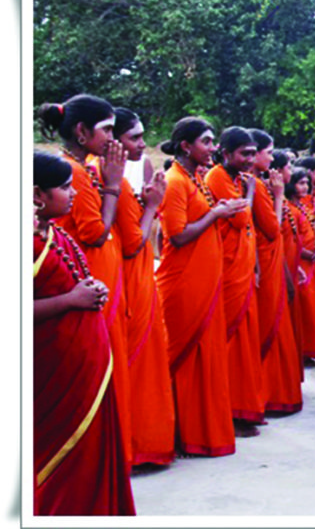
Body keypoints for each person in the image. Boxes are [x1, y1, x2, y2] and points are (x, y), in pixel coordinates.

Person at [33, 151, 136, 515]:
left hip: (87, 366)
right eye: (65, 188)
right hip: (53, 372)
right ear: (36, 196)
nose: (73, 194)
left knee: (91, 453)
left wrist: (89, 291)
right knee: (61, 458)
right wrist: (72, 300)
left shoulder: (54, 231)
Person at [156, 117, 245, 457]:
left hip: (205, 281)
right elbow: (178, 236)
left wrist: (220, 211)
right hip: (183, 283)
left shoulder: (194, 178)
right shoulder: (175, 181)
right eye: (206, 142)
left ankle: (200, 434)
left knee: (205, 360)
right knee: (183, 359)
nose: (212, 148)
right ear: (185, 146)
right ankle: (177, 435)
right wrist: (216, 214)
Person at [111, 108, 176, 466]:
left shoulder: (118, 175)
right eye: (134, 137)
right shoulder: (111, 179)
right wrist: (152, 205)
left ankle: (144, 442)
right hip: (128, 276)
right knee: (136, 361)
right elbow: (134, 240)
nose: (142, 144)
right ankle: (136, 446)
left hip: (136, 274)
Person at [205, 127, 266, 435]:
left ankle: (247, 408)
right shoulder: (217, 177)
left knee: (245, 342)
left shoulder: (238, 180)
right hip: (228, 269)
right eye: (245, 153)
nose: (250, 160)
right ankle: (231, 412)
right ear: (226, 154)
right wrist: (252, 191)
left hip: (242, 266)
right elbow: (242, 218)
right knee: (232, 343)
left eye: (253, 153)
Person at [251, 130, 304, 414]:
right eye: (269, 153)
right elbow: (272, 229)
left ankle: (279, 392)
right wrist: (279, 195)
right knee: (271, 325)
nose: (272, 159)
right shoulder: (259, 188)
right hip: (263, 261)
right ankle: (270, 396)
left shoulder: (259, 186)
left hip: (273, 261)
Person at [286, 166, 315, 363]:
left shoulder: (301, 206)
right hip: (301, 262)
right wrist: (308, 253)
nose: (305, 187)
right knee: (306, 308)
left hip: (310, 262)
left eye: (306, 183)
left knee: (313, 307)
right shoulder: (290, 209)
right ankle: (304, 349)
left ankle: (312, 348)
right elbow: (291, 240)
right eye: (300, 183)